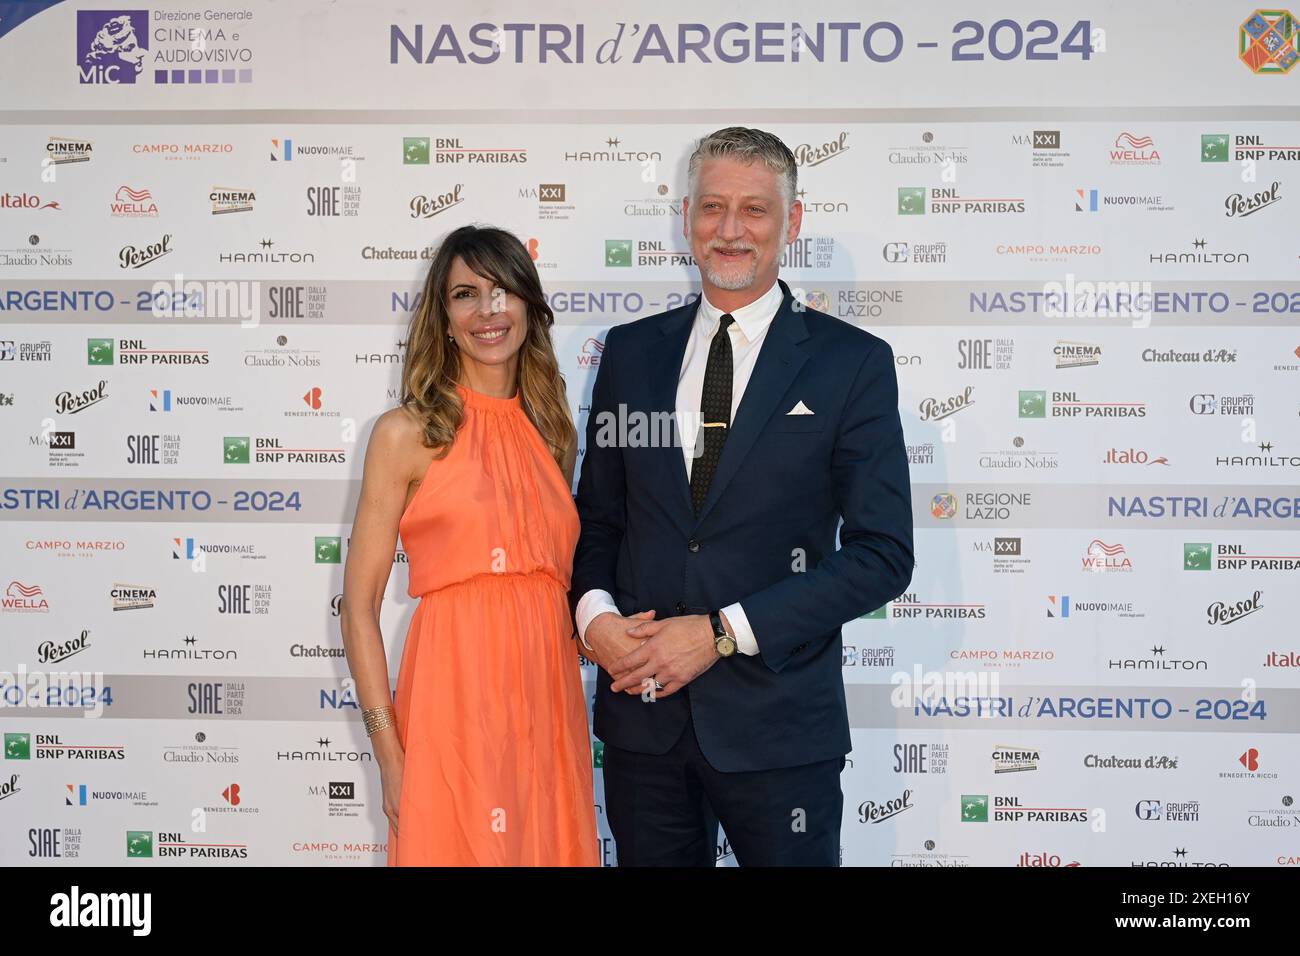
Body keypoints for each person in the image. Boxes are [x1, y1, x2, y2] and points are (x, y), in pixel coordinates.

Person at [572, 127, 914, 866]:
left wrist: (722, 632)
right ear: (686, 215)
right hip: (644, 721)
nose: (731, 231)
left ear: (792, 223)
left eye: (755, 210)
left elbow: (883, 554)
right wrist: (593, 616)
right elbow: (599, 516)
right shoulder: (631, 352)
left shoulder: (850, 363)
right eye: (713, 207)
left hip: (780, 726)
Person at [341, 224, 600, 866]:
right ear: (444, 316)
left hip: (546, 702)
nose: (488, 311)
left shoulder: (554, 431)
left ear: (529, 306)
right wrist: (390, 755)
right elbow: (358, 606)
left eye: (503, 290)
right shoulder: (405, 433)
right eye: (465, 294)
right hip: (450, 703)